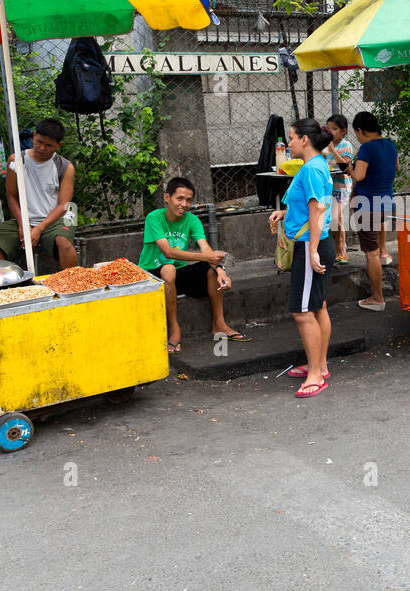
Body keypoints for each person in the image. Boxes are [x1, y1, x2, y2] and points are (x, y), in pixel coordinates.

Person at [139, 177, 244, 354]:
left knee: (209, 270)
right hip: (152, 275)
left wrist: (220, 270)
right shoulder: (154, 218)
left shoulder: (192, 220)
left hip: (177, 274)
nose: (184, 204)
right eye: (179, 198)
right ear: (167, 198)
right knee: (169, 268)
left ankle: (219, 324)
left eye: (188, 200)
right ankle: (174, 329)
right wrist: (207, 257)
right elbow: (168, 253)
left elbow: (205, 247)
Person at [269, 118, 335, 397]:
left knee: (301, 311)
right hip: (317, 243)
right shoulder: (319, 166)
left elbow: (317, 210)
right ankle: (318, 365)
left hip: (311, 245)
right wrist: (285, 214)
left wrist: (311, 252)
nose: (290, 144)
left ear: (305, 140)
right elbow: (312, 206)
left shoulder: (311, 169)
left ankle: (316, 376)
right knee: (317, 307)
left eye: (293, 138)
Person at [0, 119, 78, 269]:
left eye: (49, 145)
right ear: (34, 135)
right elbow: (11, 196)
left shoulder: (66, 167)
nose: (42, 148)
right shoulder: (16, 160)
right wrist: (22, 225)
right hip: (25, 219)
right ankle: (9, 283)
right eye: (39, 142)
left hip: (60, 218)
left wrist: (39, 228)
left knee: (63, 241)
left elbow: (64, 205)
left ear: (59, 145)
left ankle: (73, 283)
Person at [348, 111, 398, 311]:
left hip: (366, 204)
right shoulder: (391, 145)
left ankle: (377, 298)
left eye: (356, 133)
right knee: (376, 248)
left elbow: (359, 176)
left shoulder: (366, 148)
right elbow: (396, 168)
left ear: (360, 130)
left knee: (371, 253)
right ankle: (378, 294)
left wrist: (349, 169)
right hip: (385, 201)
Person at [324, 114, 356, 264]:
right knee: (333, 220)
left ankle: (342, 251)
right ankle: (337, 249)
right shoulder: (325, 145)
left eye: (334, 129)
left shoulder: (346, 145)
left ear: (343, 131)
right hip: (329, 185)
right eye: (328, 128)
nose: (331, 132)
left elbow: (346, 167)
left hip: (342, 186)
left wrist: (332, 149)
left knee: (338, 219)